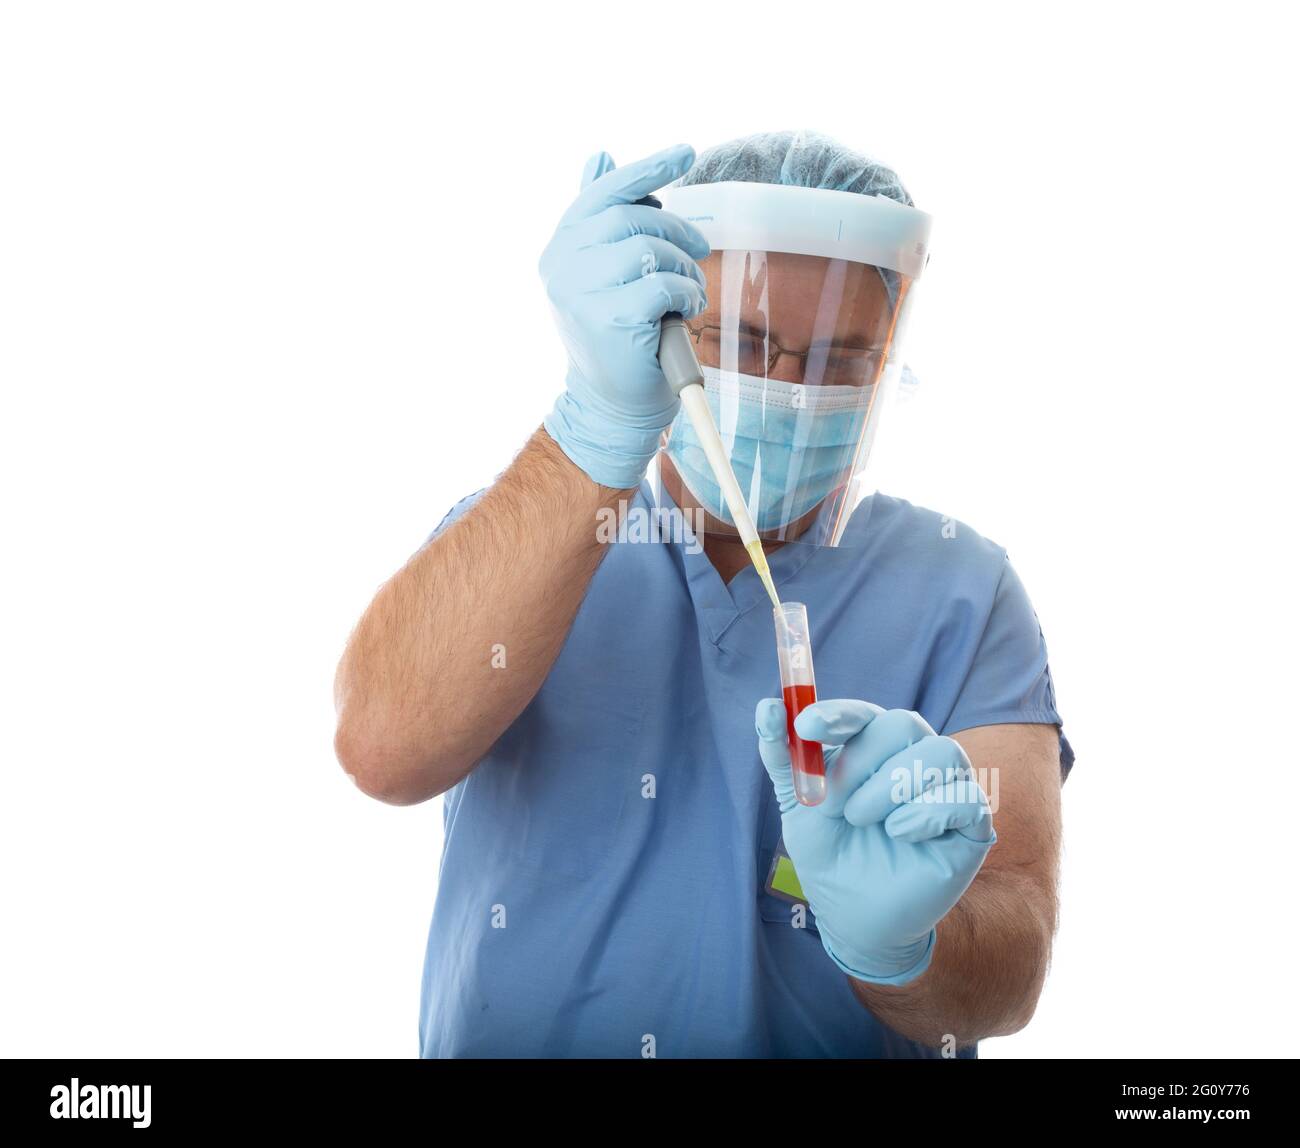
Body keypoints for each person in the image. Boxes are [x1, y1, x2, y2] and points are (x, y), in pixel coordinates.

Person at [333, 131, 1071, 1058]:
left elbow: (1010, 970)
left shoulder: (963, 592)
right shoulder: (535, 534)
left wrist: (902, 948)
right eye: (749, 344)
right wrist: (592, 429)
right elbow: (380, 749)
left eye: (840, 361)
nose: (793, 395)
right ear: (671, 331)